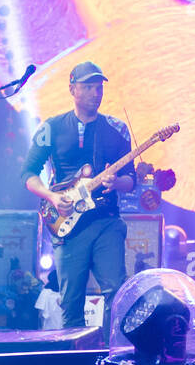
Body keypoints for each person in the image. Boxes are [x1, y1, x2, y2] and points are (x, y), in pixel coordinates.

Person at [22, 61, 134, 336]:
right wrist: (50, 196)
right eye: (88, 87)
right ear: (72, 89)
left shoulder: (116, 129)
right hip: (68, 226)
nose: (96, 93)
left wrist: (115, 181)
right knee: (70, 302)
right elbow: (28, 173)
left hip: (106, 220)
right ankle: (74, 360)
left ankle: (112, 357)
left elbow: (131, 180)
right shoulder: (52, 127)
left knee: (116, 292)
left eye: (99, 87)